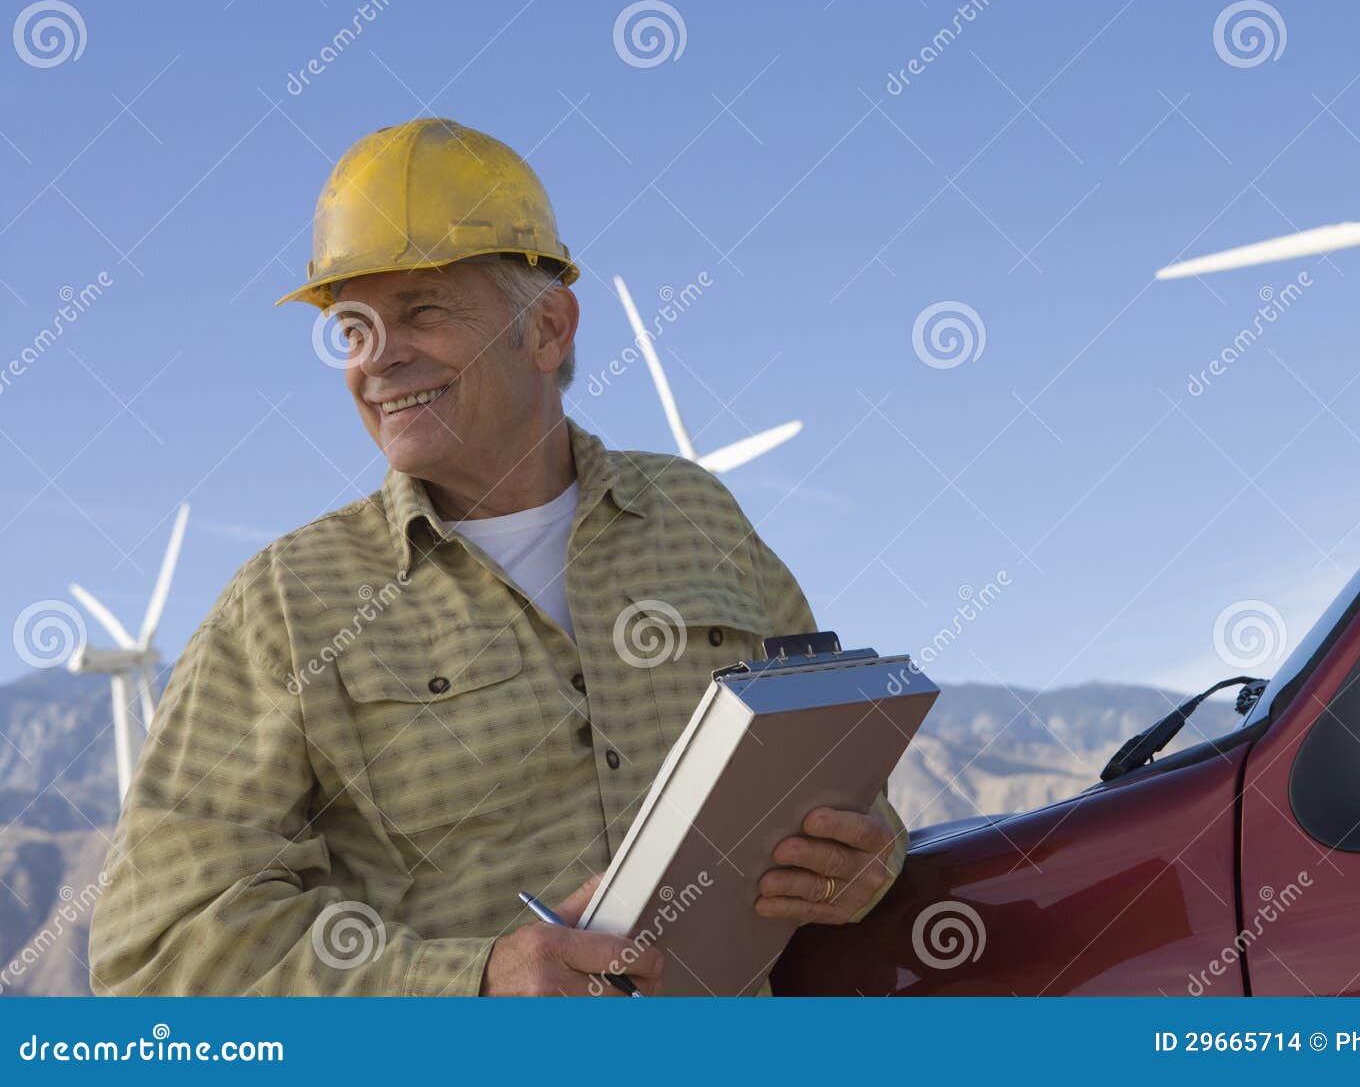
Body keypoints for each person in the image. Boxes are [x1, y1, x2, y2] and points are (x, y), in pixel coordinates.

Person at [89, 118, 907, 996]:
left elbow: (845, 783)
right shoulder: (286, 606)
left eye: (423, 311)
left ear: (548, 328)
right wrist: (474, 983)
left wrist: (869, 856)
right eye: (354, 329)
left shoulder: (698, 515)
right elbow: (158, 944)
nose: (378, 360)